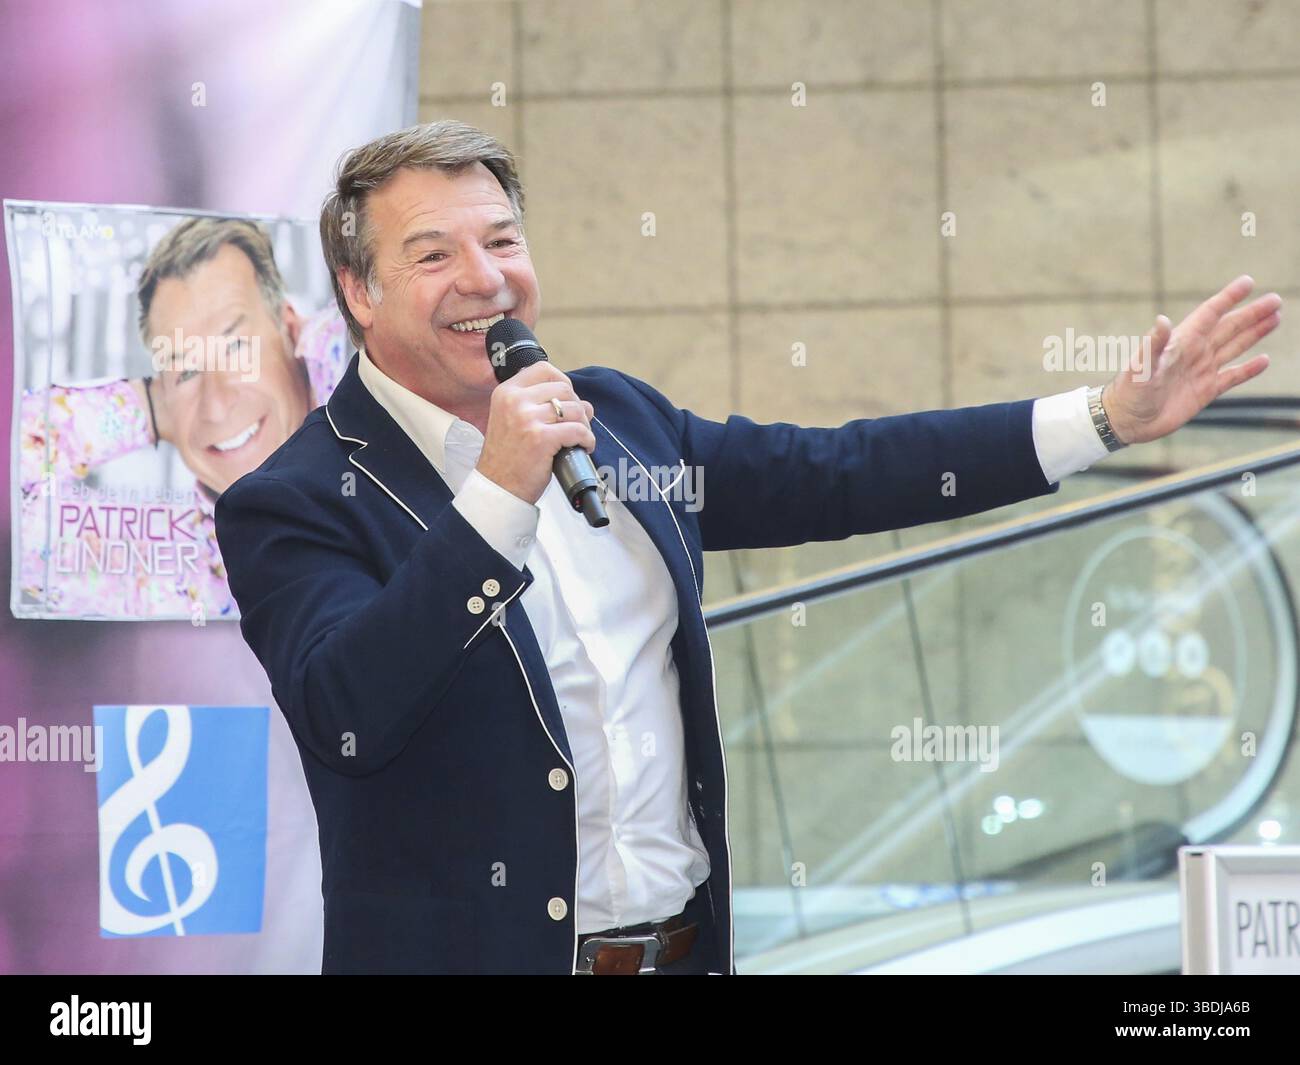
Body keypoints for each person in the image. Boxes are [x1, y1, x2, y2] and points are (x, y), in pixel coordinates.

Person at [213, 120, 1281, 975]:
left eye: (501, 241)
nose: (484, 279)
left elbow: (844, 470)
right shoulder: (297, 497)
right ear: (359, 291)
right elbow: (348, 710)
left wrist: (1103, 417)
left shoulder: (616, 419)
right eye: (433, 254)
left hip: (682, 951)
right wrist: (497, 492)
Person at [17, 217, 350, 618]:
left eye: (237, 348)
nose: (217, 405)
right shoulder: (182, 570)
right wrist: (148, 409)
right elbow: (25, 528)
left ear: (292, 329)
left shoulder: (362, 367)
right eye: (186, 370)